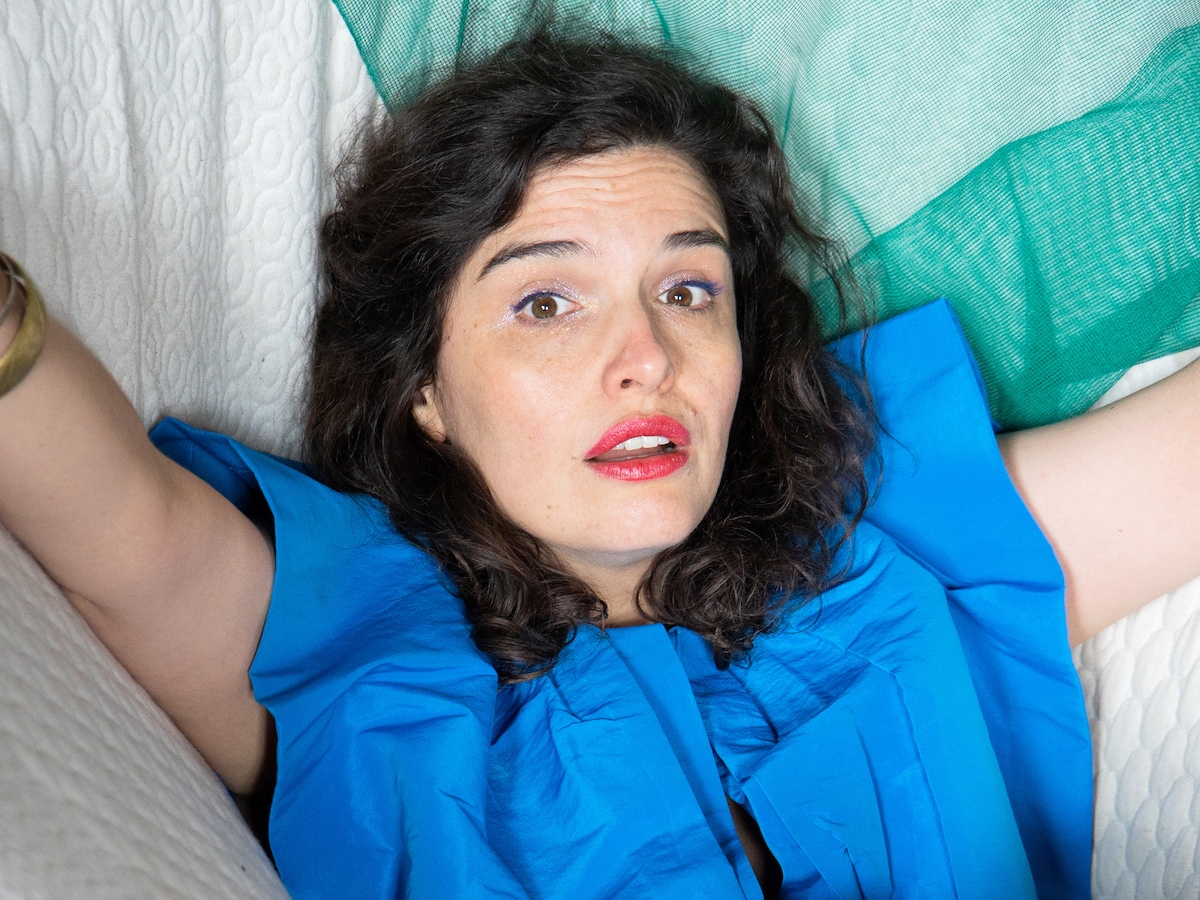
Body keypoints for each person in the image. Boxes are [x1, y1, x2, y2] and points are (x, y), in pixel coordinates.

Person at [1, 30, 1198, 900]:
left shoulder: (887, 543)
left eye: (688, 289)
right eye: (547, 302)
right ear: (424, 389)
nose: (648, 358)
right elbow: (130, 539)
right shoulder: (360, 661)